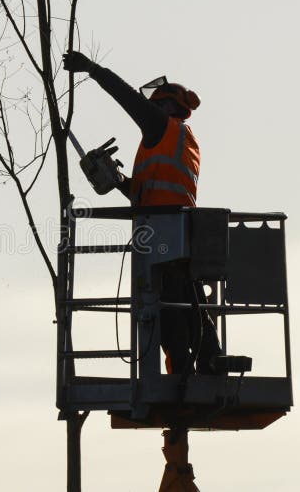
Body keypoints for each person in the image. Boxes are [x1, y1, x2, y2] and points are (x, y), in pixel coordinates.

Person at [62, 50, 220, 375]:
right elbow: (148, 193)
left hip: (164, 236)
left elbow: (126, 98)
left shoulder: (163, 128)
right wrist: (118, 180)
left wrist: (91, 68)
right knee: (186, 308)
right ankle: (208, 365)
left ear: (166, 106)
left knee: (170, 313)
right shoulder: (177, 141)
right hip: (174, 234)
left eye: (155, 105)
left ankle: (188, 375)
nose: (150, 109)